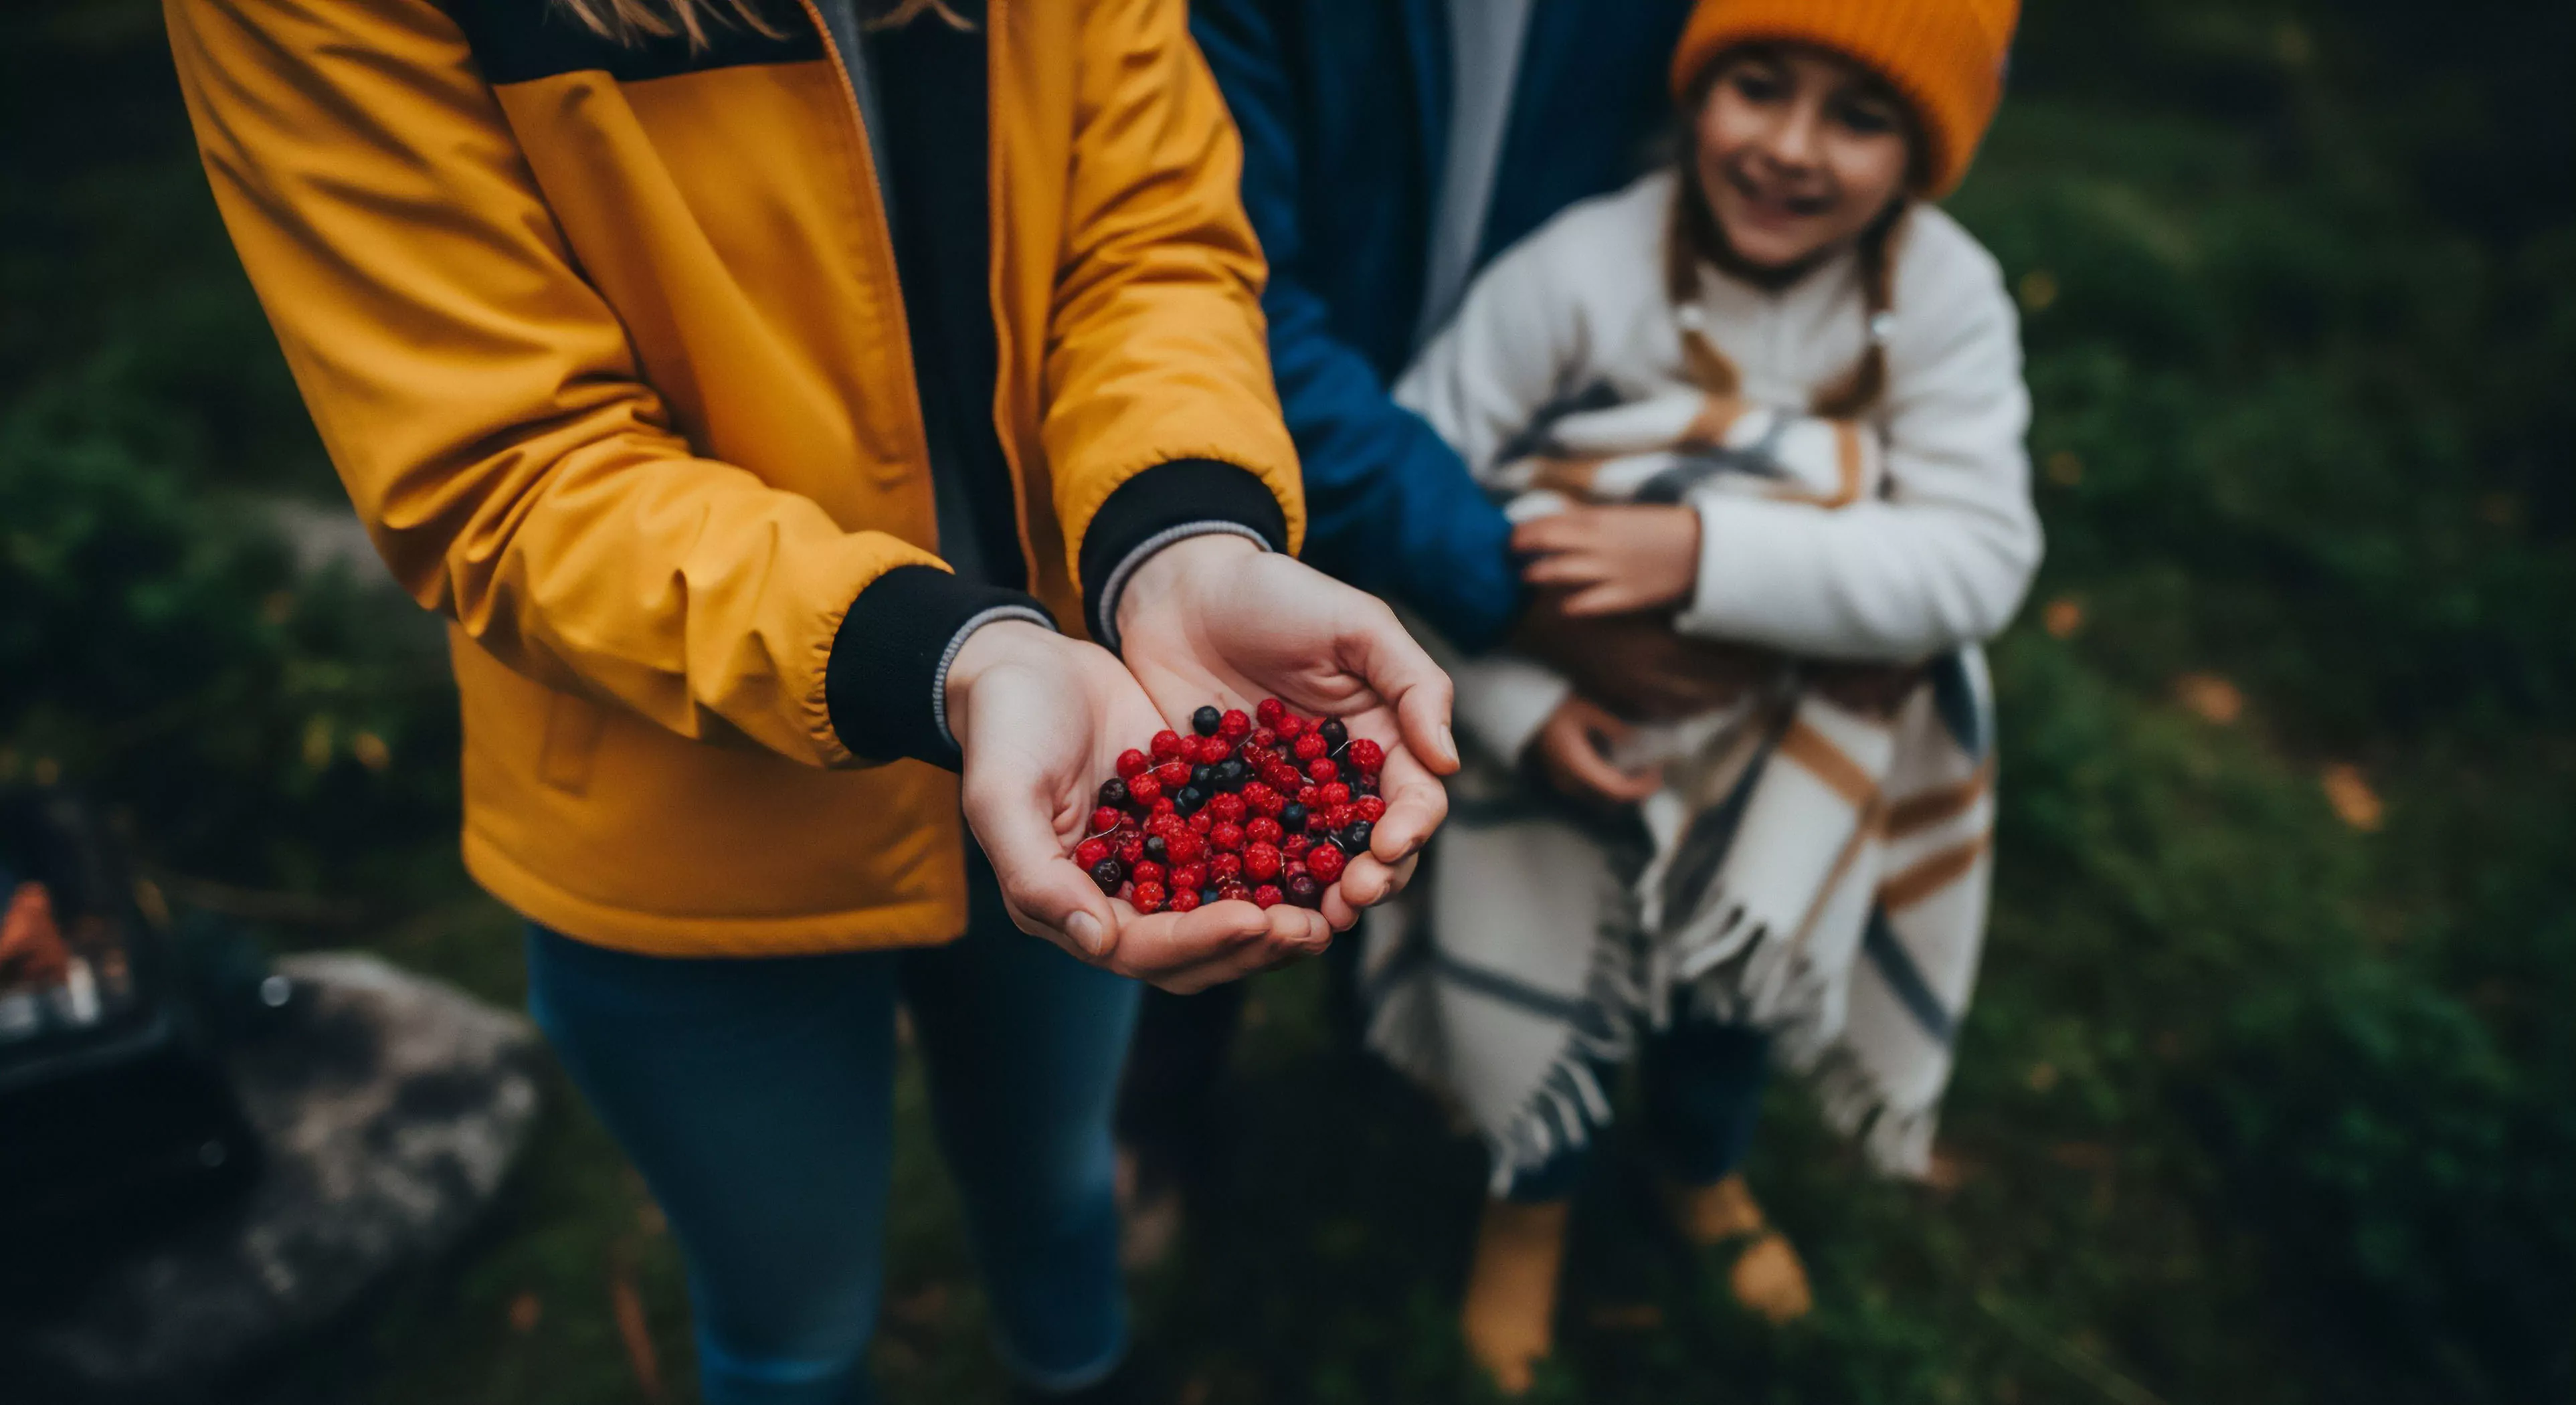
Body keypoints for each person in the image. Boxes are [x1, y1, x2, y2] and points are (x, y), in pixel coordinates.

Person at [162, 1, 1455, 1400]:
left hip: (1093, 726)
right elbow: (509, 457)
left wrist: (1184, 538)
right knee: (791, 1330)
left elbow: (1147, 232)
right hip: (682, 810)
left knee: (1061, 1189)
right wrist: (946, 658)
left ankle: (1077, 1369)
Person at [1372, 0, 2039, 1388]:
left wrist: (1703, 546)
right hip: (1568, 744)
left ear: (1922, 147)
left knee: (1726, 997)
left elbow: (1979, 556)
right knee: (1554, 963)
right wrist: (1508, 704)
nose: (1790, 149)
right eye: (1756, 85)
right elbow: (1418, 488)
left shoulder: (1941, 296)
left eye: (1856, 117)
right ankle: (1530, 1197)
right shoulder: (1581, 265)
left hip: (1784, 771)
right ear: (1693, 86)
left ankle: (1699, 1168)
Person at [1115, 0, 1730, 1259]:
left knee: (1366, 810)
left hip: (1513, 448)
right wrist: (1509, 588)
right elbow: (1222, 283)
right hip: (1239, 442)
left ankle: (1386, 1043)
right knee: (1200, 818)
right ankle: (1152, 1123)